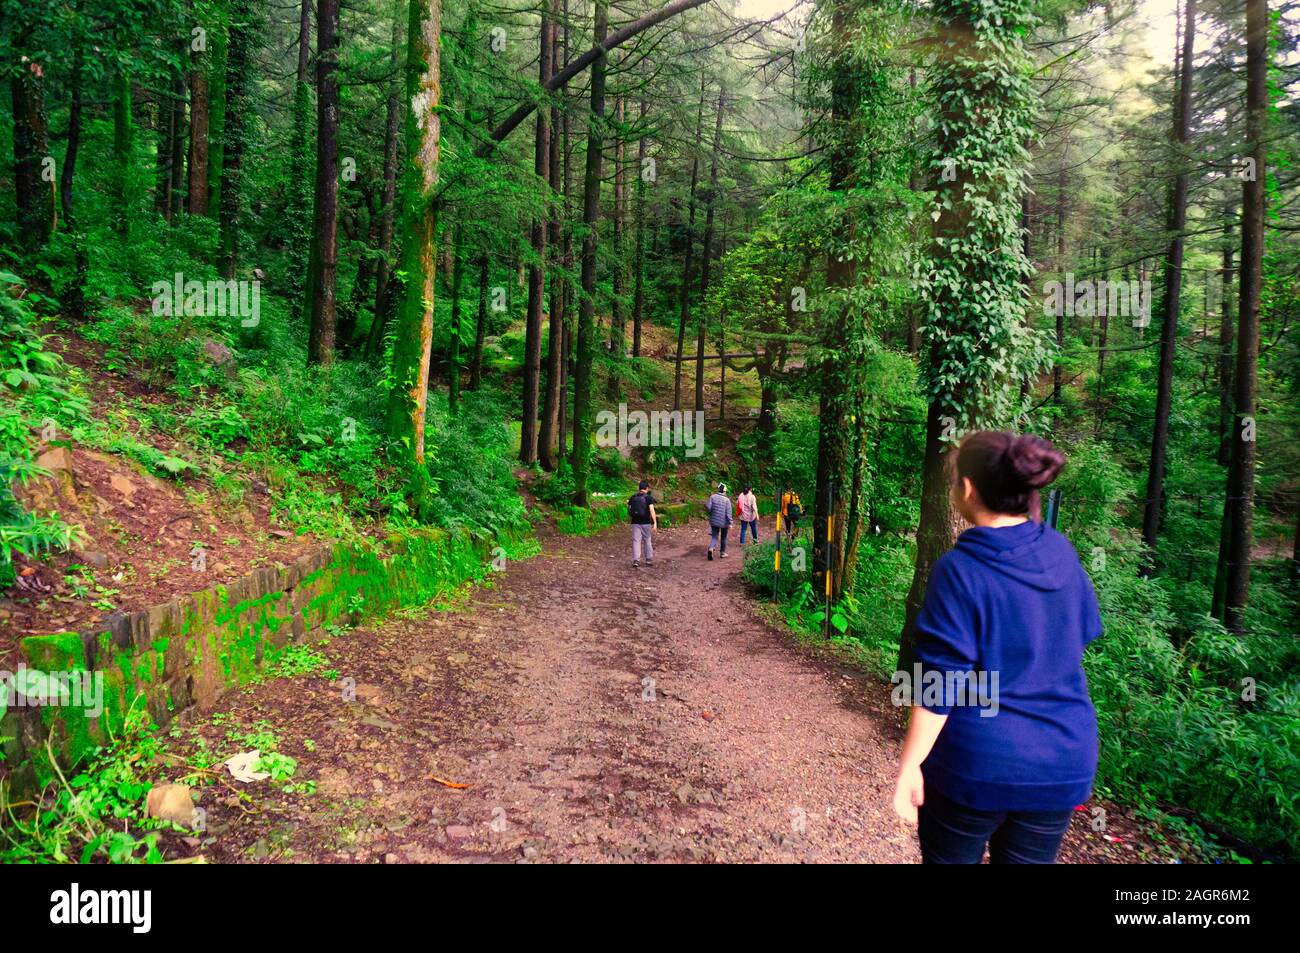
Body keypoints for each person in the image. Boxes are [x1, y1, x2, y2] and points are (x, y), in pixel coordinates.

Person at [892, 431, 1101, 865]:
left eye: (953, 483)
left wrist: (910, 764)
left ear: (967, 489)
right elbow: (1070, 642)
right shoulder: (1061, 552)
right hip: (1061, 761)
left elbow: (940, 681)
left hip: (976, 766)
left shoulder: (960, 568)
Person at [627, 480, 658, 568]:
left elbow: (629, 509)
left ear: (639, 488)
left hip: (635, 522)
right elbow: (652, 510)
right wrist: (655, 523)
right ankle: (648, 559)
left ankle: (636, 560)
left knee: (636, 541)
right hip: (646, 523)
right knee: (647, 540)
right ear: (647, 488)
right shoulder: (648, 498)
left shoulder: (633, 497)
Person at [704, 483, 732, 560]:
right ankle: (722, 553)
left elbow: (708, 507)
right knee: (723, 537)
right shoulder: (727, 500)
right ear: (724, 491)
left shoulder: (712, 497)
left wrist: (712, 513)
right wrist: (730, 523)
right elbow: (728, 513)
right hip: (724, 523)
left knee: (714, 537)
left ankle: (711, 548)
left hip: (714, 521)